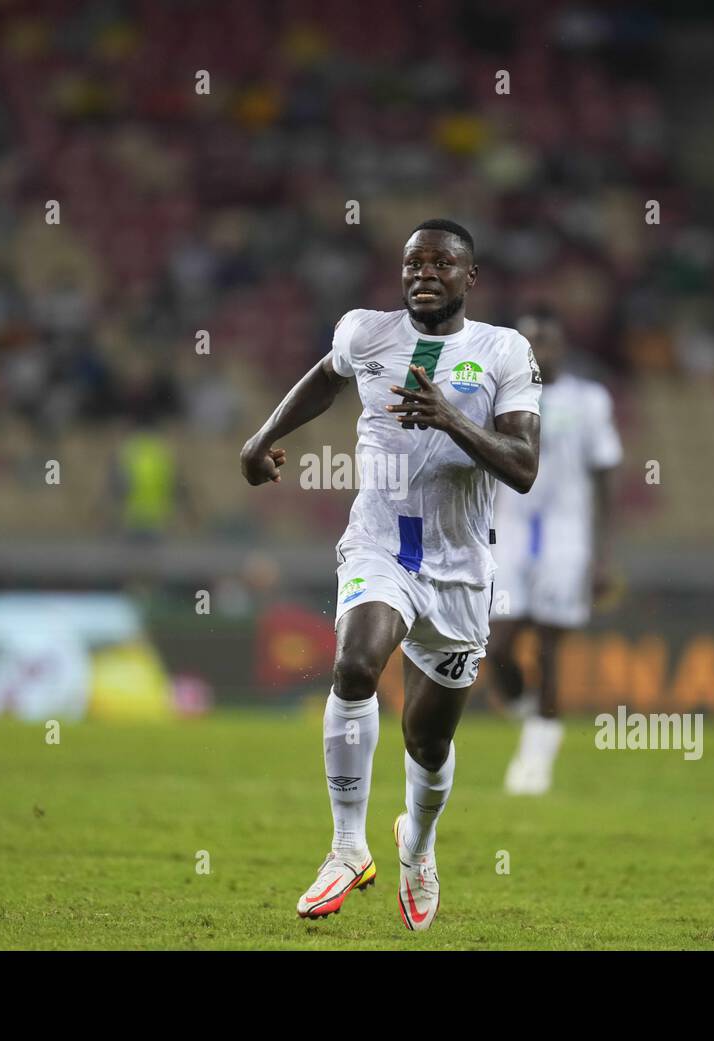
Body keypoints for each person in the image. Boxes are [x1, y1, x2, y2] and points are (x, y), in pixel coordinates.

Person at [240, 219, 541, 931]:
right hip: (380, 544)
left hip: (462, 568)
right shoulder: (366, 333)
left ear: (471, 277)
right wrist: (263, 438)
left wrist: (448, 418)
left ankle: (419, 843)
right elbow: (325, 376)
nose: (424, 273)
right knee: (353, 663)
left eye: (442, 263)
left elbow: (523, 466)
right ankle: (347, 845)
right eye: (413, 262)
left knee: (427, 740)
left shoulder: (503, 350)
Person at [486, 311, 621, 795]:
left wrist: (602, 554)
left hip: (567, 535)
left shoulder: (589, 400)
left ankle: (537, 758)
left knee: (548, 647)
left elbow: (604, 474)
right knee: (496, 646)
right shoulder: (500, 392)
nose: (537, 349)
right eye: (529, 340)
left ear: (561, 345)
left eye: (546, 339)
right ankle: (529, 718)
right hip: (510, 531)